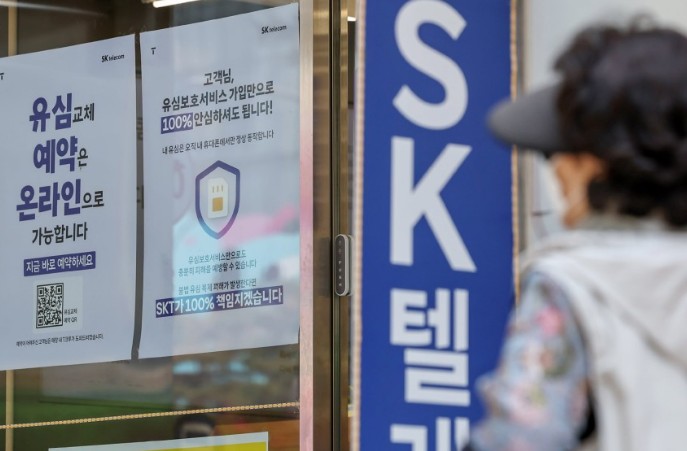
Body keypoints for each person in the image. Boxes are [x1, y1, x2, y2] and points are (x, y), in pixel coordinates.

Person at [464, 22, 687, 451]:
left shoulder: (572, 286)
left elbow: (522, 439)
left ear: (601, 162)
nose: (556, 169)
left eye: (558, 151)